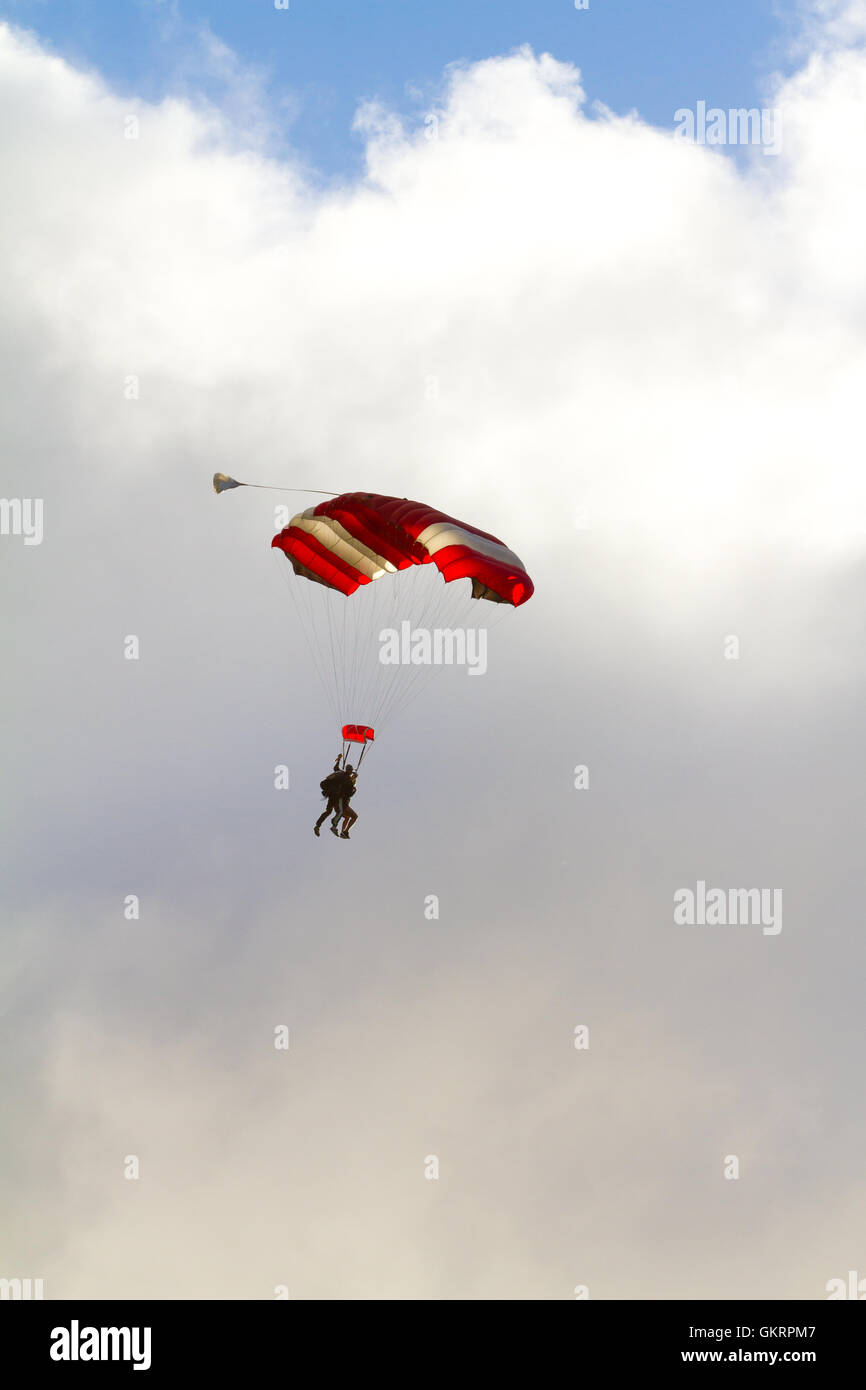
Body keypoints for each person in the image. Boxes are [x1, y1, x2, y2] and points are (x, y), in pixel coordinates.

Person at [314, 755, 346, 836]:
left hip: (331, 794)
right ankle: (334, 825)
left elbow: (335, 767)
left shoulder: (338, 772)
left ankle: (317, 826)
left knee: (328, 811)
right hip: (335, 796)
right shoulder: (343, 776)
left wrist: (339, 760)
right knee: (340, 812)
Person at [334, 766, 358, 839]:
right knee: (354, 816)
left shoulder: (348, 782)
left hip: (338, 805)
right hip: (342, 805)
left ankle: (343, 832)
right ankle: (345, 831)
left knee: (347, 818)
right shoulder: (345, 780)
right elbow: (348, 782)